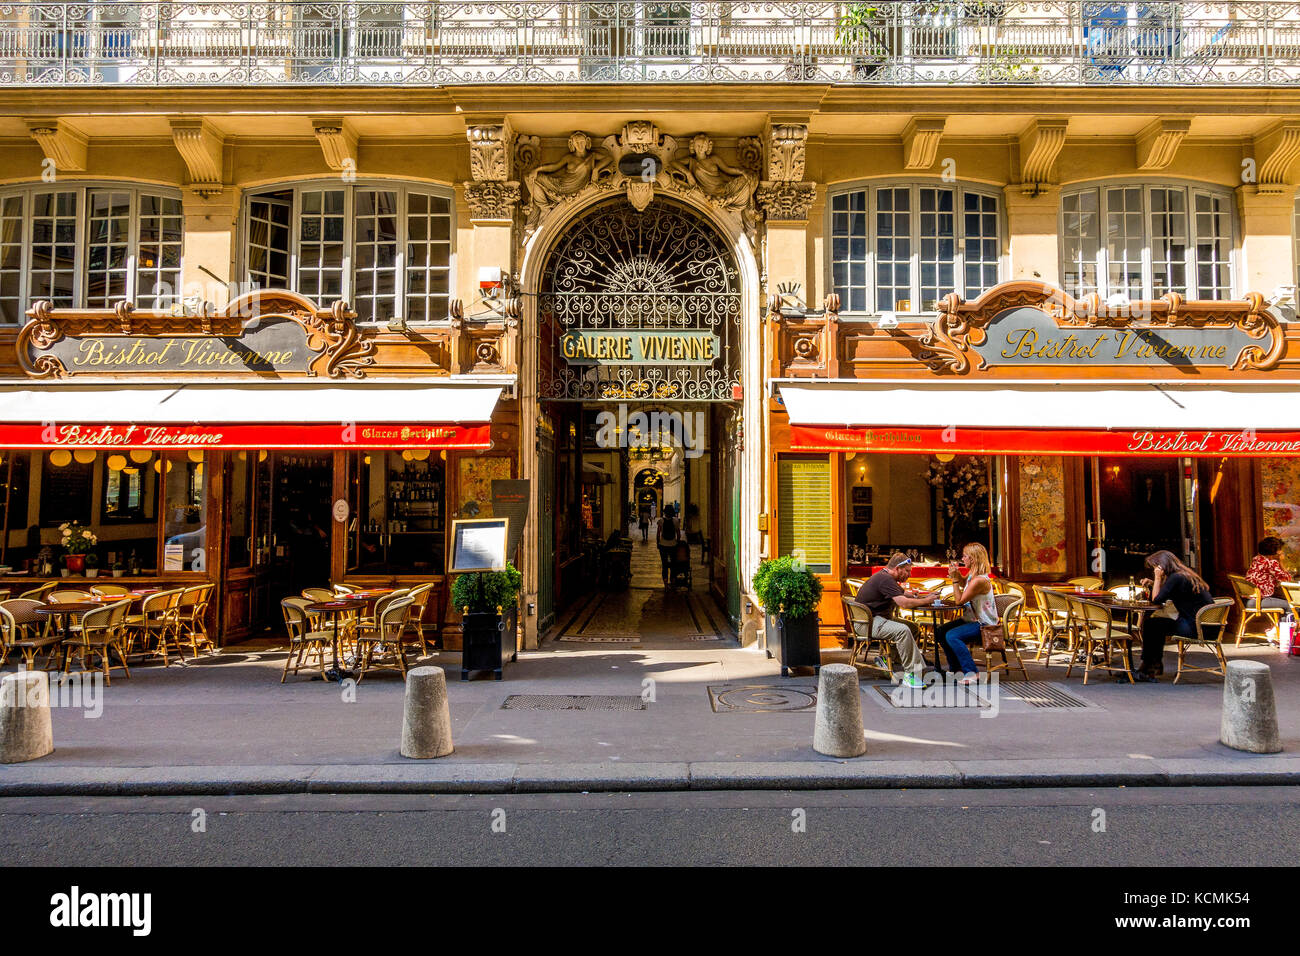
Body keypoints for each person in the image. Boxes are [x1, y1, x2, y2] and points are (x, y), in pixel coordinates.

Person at [854, 552, 936, 689]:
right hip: (868, 624)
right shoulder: (885, 579)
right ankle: (912, 674)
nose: (909, 575)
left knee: (913, 627)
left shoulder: (885, 577)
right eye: (907, 571)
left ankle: (888, 658)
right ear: (898, 568)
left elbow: (903, 594)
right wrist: (927, 600)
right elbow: (904, 603)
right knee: (903, 631)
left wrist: (923, 596)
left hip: (873, 620)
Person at [1137, 550, 1212, 682]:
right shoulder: (1183, 575)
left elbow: (1156, 599)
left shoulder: (1176, 578)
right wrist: (1154, 582)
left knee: (1152, 624)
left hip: (1195, 628)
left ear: (1162, 566)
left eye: (1155, 567)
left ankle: (1149, 668)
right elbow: (1165, 592)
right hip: (1206, 625)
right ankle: (1153, 665)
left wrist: (1158, 579)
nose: (1154, 570)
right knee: (1155, 624)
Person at [933, 542, 998, 685]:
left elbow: (959, 601)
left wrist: (954, 580)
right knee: (940, 631)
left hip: (984, 623)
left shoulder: (979, 580)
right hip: (971, 619)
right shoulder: (972, 575)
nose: (963, 559)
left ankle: (972, 673)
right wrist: (957, 575)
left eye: (965, 556)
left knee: (952, 635)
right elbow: (964, 584)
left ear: (973, 559)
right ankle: (956, 670)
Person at [1246, 536, 1292, 610]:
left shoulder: (1257, 559)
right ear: (1274, 553)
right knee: (1292, 605)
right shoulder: (1270, 563)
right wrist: (1280, 561)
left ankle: (1283, 621)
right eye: (1280, 550)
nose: (1281, 552)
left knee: (1285, 599)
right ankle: (1286, 621)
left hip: (1249, 599)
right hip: (1258, 601)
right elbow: (1287, 579)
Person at [657, 506, 680, 586]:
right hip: (673, 545)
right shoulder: (676, 521)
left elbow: (658, 533)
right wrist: (677, 542)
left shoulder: (661, 521)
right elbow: (678, 533)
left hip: (663, 545)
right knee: (673, 564)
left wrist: (658, 543)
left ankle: (665, 582)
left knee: (664, 564)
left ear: (665, 512)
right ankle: (673, 580)